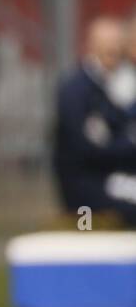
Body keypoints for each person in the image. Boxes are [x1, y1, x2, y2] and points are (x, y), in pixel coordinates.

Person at [52, 16, 136, 225]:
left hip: (114, 178)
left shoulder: (116, 85)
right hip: (88, 190)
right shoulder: (77, 91)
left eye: (118, 44)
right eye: (109, 45)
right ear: (92, 46)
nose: (115, 50)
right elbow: (88, 149)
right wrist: (129, 145)